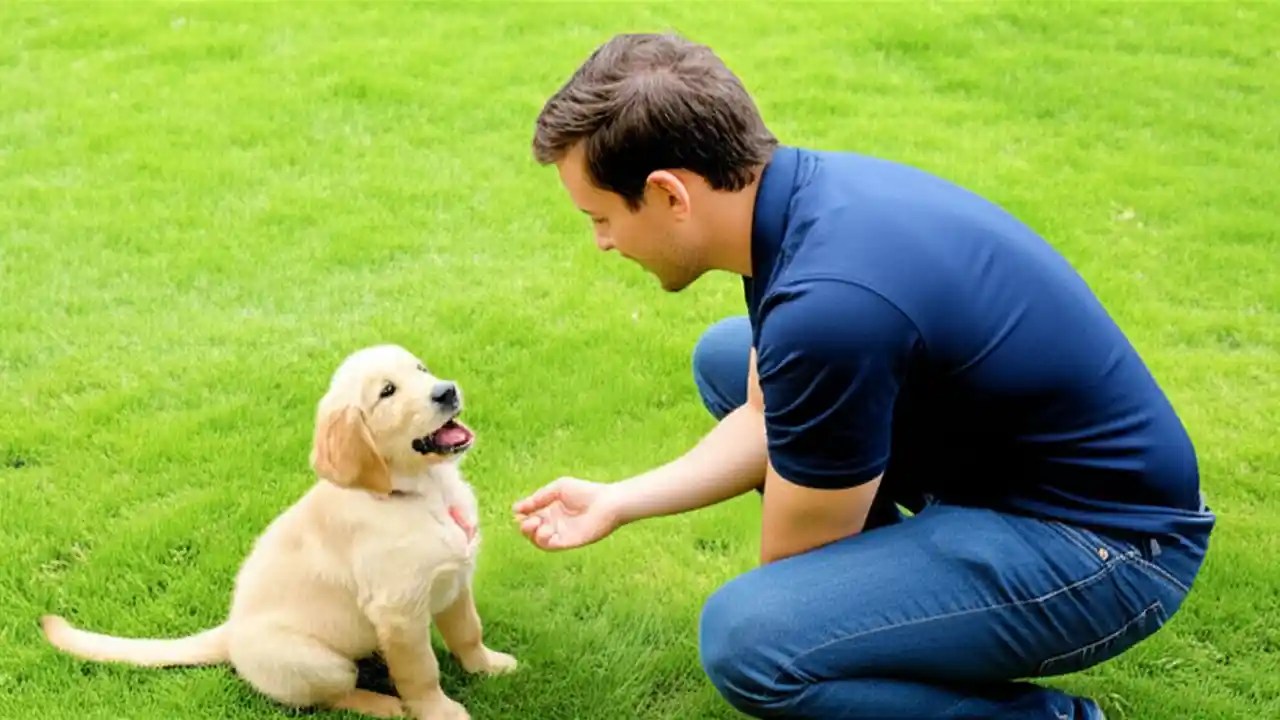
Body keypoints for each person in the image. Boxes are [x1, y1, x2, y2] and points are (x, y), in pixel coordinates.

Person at [511, 31, 1215, 720]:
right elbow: (762, 415)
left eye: (600, 217)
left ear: (670, 193)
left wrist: (813, 616)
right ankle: (906, 589)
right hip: (1021, 475)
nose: (602, 242)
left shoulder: (829, 309)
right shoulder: (796, 203)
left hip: (1108, 549)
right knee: (729, 359)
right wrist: (620, 499)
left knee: (754, 642)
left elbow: (796, 563)